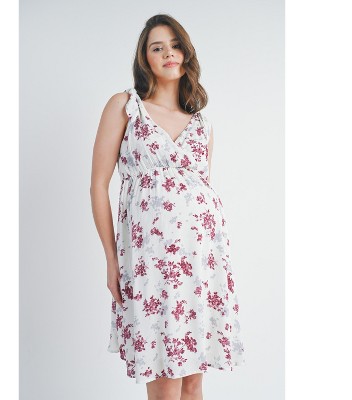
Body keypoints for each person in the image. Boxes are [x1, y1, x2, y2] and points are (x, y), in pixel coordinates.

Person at [90, 13, 245, 400]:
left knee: (193, 383)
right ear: (145, 58)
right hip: (152, 263)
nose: (168, 53)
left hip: (201, 261)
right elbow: (98, 185)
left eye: (175, 46)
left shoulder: (202, 123)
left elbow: (202, 191)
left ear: (186, 53)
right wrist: (112, 260)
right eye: (157, 47)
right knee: (165, 381)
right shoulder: (126, 106)